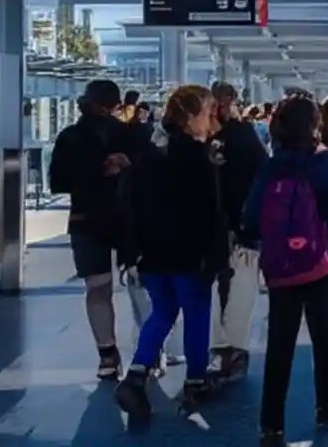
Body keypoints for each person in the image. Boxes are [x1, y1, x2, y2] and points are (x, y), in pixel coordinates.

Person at [242, 96, 328, 445]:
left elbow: (250, 218)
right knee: (324, 336)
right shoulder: (324, 162)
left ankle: (271, 423)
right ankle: (327, 403)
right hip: (320, 266)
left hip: (281, 269)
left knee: (280, 343)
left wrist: (272, 248)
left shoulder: (272, 164)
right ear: (313, 125)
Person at [114, 85, 229, 420]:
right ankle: (196, 379)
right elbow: (211, 212)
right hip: (189, 254)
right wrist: (217, 257)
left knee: (162, 312)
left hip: (151, 254)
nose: (212, 121)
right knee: (195, 314)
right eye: (208, 113)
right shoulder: (200, 159)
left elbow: (131, 204)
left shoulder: (149, 156)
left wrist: (131, 251)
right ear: (191, 117)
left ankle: (135, 375)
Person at [48, 80, 135, 380]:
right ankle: (151, 349)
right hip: (128, 219)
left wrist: (90, 173)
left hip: (85, 218)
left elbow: (57, 183)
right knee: (142, 285)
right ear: (115, 104)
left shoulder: (69, 137)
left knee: (97, 288)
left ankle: (107, 355)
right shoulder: (129, 134)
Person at [207, 82, 268, 382]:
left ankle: (225, 349)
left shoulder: (208, 138)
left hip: (228, 228)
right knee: (236, 288)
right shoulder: (244, 136)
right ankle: (231, 349)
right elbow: (263, 176)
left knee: (228, 288)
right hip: (238, 228)